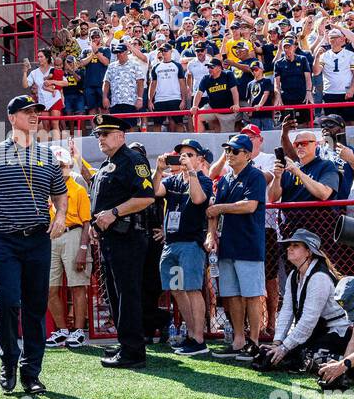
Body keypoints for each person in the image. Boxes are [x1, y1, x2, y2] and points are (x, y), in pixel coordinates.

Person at [0, 96, 67, 394]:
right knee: (7, 301)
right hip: (2, 238)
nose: (34, 116)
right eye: (27, 112)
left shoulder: (48, 156)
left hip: (38, 239)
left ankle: (31, 372)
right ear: (11, 118)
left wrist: (61, 215)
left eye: (37, 112)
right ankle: (9, 360)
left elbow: (61, 195)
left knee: (35, 305)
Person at [88, 114, 155, 369]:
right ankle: (127, 343)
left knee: (127, 294)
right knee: (116, 295)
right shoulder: (108, 164)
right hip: (110, 237)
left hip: (128, 236)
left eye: (105, 134)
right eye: (98, 135)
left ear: (121, 135)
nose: (100, 139)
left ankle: (134, 351)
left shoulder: (132, 159)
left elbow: (146, 197)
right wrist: (97, 224)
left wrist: (114, 213)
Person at [206, 133, 268, 361]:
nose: (229, 154)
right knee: (231, 294)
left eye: (234, 151)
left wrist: (221, 208)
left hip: (249, 244)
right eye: (227, 151)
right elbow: (213, 211)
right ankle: (239, 339)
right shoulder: (224, 180)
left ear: (247, 155)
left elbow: (250, 206)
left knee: (252, 295)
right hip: (229, 245)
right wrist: (211, 235)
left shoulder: (255, 177)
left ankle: (254, 341)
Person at [257, 230, 350, 370]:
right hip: (318, 331)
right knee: (278, 354)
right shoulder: (294, 275)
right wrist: (277, 343)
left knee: (305, 356)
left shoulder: (319, 277)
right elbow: (286, 311)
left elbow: (308, 320)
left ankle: (347, 362)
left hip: (337, 332)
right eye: (289, 245)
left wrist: (284, 348)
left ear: (309, 252)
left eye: (295, 245)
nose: (289, 248)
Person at [153, 139, 211, 357]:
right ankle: (192, 334)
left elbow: (198, 199)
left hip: (190, 244)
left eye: (189, 154)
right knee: (177, 289)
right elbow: (155, 191)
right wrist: (158, 170)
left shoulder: (203, 180)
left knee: (192, 289)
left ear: (199, 159)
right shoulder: (173, 180)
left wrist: (192, 172)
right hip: (171, 244)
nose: (183, 158)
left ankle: (198, 338)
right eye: (181, 154)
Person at [46, 146, 93, 350]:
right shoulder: (46, 190)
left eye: (61, 166)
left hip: (73, 234)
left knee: (77, 285)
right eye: (55, 166)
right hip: (51, 237)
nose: (58, 169)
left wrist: (83, 248)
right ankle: (62, 329)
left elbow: (86, 223)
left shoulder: (78, 189)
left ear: (68, 166)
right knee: (49, 287)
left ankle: (79, 331)